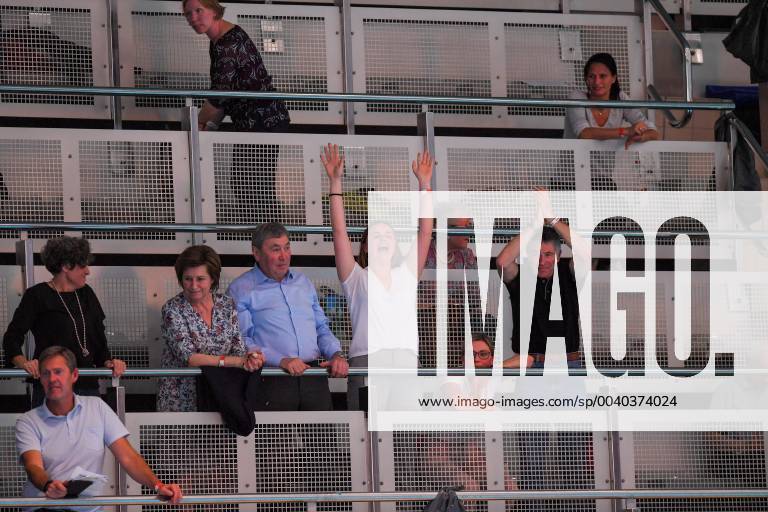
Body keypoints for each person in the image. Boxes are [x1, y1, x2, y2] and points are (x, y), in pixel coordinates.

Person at [321, 143, 434, 410]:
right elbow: (339, 233)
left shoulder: (407, 273)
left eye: (388, 234)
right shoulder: (356, 276)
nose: (383, 238)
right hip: (366, 360)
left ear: (396, 244)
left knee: (403, 441)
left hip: (406, 362)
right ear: (366, 246)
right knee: (368, 433)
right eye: (375, 235)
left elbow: (425, 232)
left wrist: (425, 185)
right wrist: (335, 183)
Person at [15, 346, 182, 509]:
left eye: (58, 372)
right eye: (46, 373)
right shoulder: (28, 421)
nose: (52, 379)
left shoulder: (97, 407)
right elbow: (33, 466)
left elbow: (128, 457)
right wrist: (49, 486)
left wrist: (158, 486)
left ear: (74, 375)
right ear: (41, 379)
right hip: (44, 508)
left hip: (87, 508)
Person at [182, 0, 290, 222]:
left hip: (262, 121)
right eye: (188, 14)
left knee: (253, 188)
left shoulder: (227, 43)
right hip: (256, 121)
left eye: (198, 11)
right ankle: (263, 244)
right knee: (249, 186)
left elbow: (218, 96)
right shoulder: (221, 39)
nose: (193, 18)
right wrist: (206, 125)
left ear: (213, 10)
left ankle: (269, 244)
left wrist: (197, 123)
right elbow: (225, 92)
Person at [227, 222, 349, 410]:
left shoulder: (303, 283)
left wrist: (336, 354)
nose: (284, 256)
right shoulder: (240, 288)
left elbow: (321, 328)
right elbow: (242, 340)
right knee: (274, 439)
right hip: (271, 378)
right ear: (256, 253)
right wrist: (281, 360)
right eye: (275, 249)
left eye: (287, 247)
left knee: (324, 439)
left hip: (313, 376)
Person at [2, 236, 125, 408]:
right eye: (83, 265)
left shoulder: (86, 293)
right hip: (51, 388)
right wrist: (25, 363)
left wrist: (109, 362)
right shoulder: (37, 295)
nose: (87, 271)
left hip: (87, 386)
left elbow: (98, 338)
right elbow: (11, 338)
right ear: (66, 266)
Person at [157, 245, 263, 412]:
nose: (193, 285)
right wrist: (234, 362)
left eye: (200, 279)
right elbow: (189, 357)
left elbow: (238, 347)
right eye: (187, 278)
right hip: (181, 397)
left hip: (220, 394)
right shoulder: (172, 309)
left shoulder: (227, 304)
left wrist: (251, 358)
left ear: (212, 278)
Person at [564, 52, 659, 149]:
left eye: (602, 76)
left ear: (613, 78)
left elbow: (653, 132)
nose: (597, 82)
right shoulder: (576, 97)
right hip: (573, 162)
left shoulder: (620, 98)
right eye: (591, 76)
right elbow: (584, 133)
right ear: (586, 79)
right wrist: (626, 131)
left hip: (607, 164)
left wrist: (640, 136)